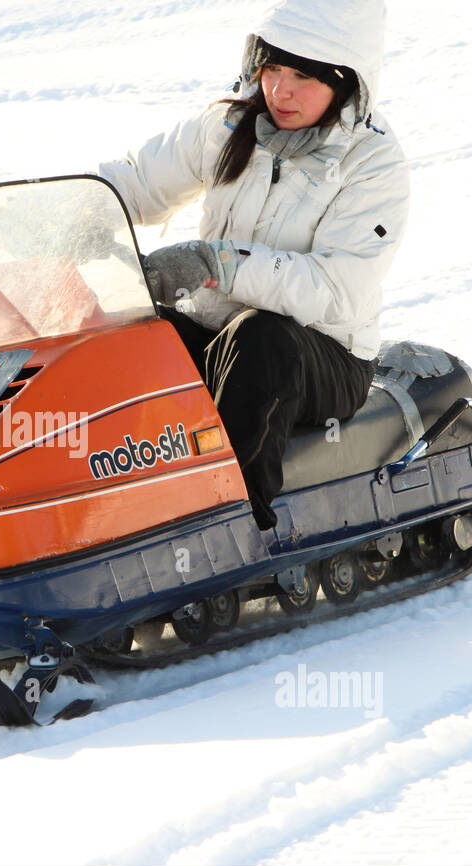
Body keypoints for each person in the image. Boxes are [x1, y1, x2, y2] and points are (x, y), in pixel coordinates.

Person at [97, 0, 409, 531]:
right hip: (218, 330)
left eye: (303, 77)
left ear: (347, 83)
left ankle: (238, 524)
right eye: (272, 69)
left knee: (260, 336)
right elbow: (135, 185)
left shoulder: (371, 164)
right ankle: (98, 506)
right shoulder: (228, 126)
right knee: (123, 329)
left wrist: (216, 263)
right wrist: (57, 223)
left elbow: (336, 289)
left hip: (321, 350)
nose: (279, 91)